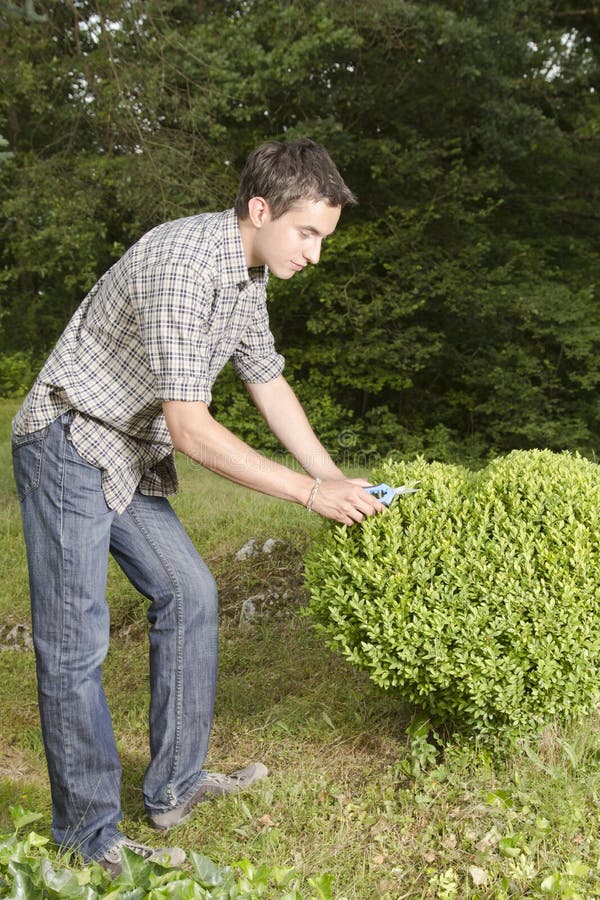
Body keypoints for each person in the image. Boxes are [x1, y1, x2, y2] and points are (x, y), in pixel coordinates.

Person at [11, 138, 385, 875]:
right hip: (68, 438)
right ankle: (88, 836)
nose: (315, 254)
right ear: (261, 210)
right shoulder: (184, 263)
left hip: (124, 447)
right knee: (74, 642)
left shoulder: (248, 276)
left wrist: (334, 476)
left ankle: (175, 788)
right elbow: (189, 428)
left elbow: (266, 379)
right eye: (307, 233)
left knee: (190, 594)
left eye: (323, 237)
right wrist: (309, 494)